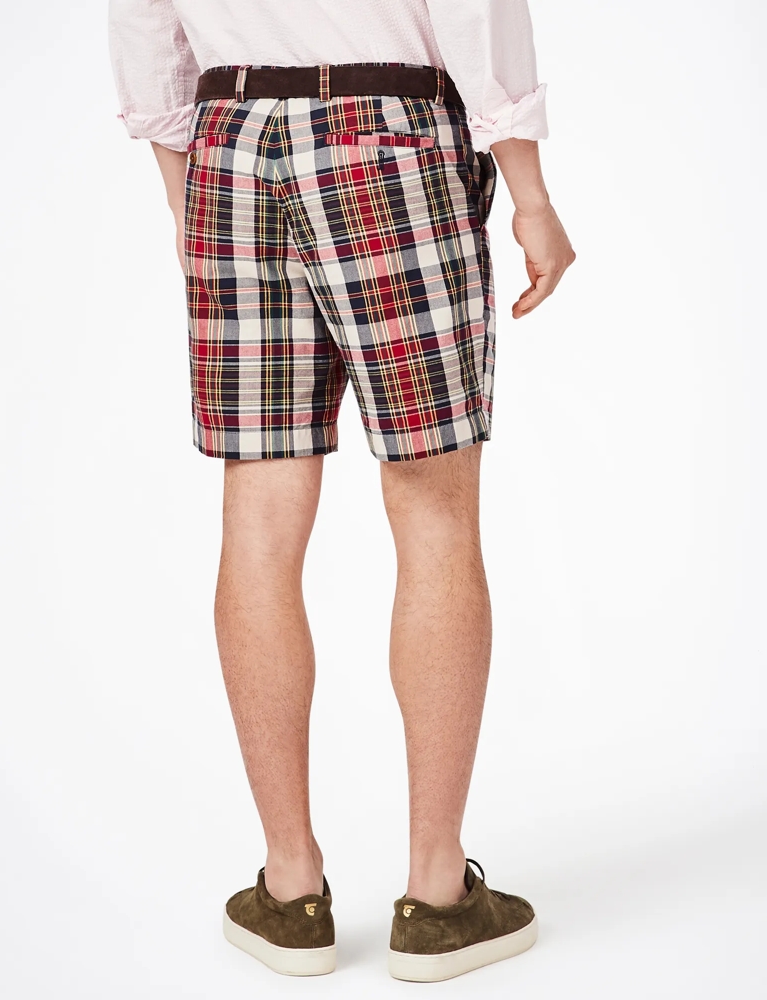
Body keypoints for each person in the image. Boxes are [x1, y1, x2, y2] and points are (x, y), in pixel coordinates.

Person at [108, 0, 575, 983]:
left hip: (227, 149)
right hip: (386, 136)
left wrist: (185, 189)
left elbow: (146, 24)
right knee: (434, 507)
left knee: (258, 517)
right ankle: (437, 899)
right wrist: (528, 187)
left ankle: (290, 892)